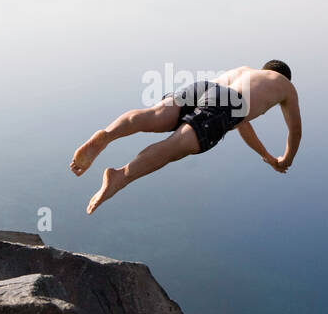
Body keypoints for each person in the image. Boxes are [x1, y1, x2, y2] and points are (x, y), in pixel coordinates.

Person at [71, 60, 301, 214]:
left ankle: (107, 134)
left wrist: (265, 155)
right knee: (172, 147)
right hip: (228, 104)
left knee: (152, 115)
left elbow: (241, 122)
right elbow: (295, 130)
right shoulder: (286, 88)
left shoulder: (246, 72)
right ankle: (120, 177)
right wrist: (285, 159)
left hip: (205, 87)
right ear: (285, 77)